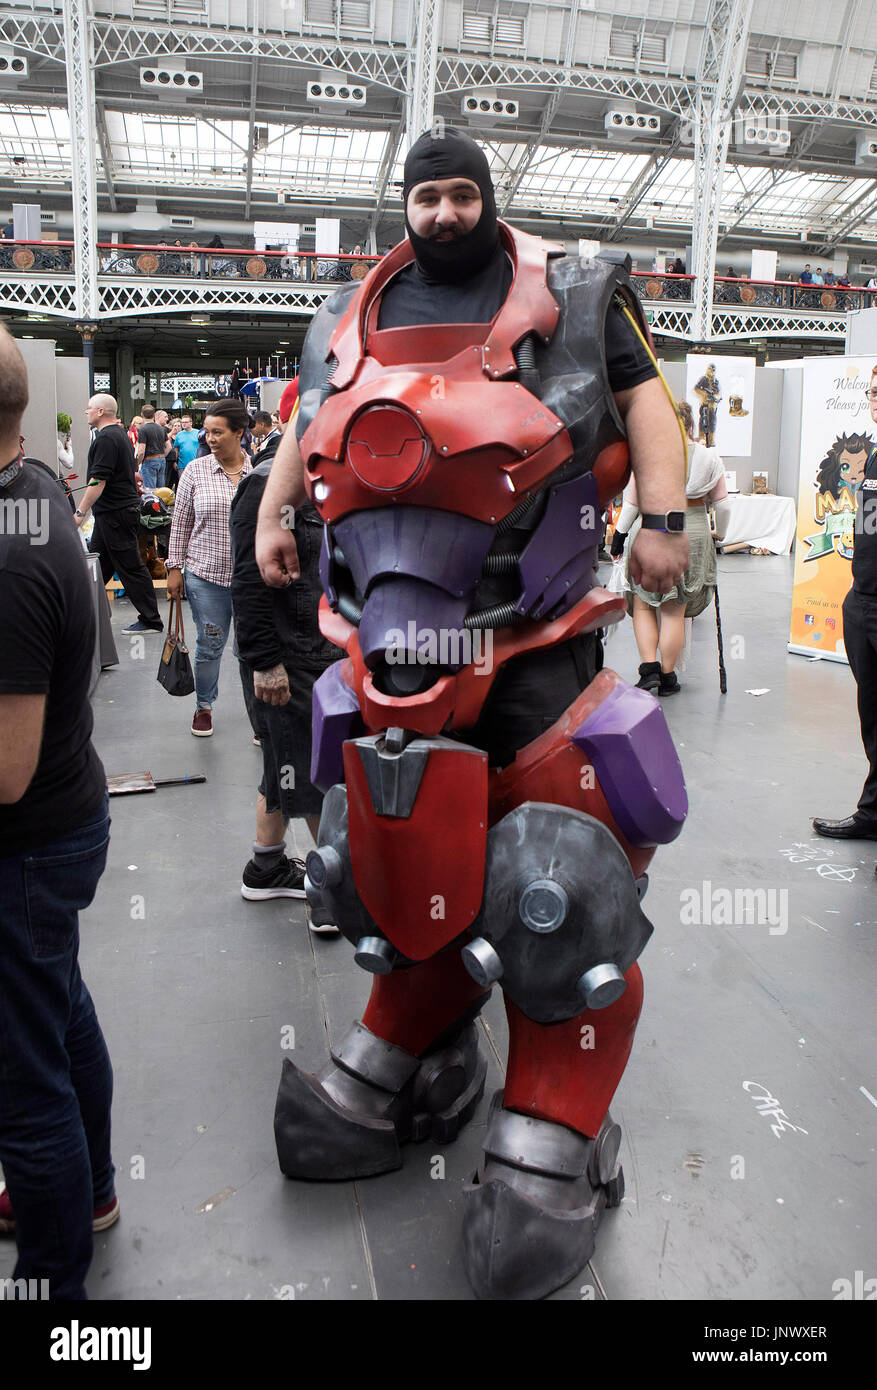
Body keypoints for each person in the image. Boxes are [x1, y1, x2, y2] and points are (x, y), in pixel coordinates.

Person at [254, 127, 689, 1301]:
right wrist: (275, 512)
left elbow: (648, 406)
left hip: (532, 649)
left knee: (558, 880)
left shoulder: (582, 293)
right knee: (382, 862)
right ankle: (414, 1034)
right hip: (383, 650)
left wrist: (662, 518)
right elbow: (310, 426)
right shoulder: (350, 314)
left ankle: (554, 1119)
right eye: (425, 195)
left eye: (459, 194)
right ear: (405, 205)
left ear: (488, 200)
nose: (441, 213)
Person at [0, 328, 119, 1299]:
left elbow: (4, 771)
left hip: (25, 844)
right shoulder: (36, 486)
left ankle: (53, 1290)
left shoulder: (6, 560)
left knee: (22, 1080)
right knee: (61, 1008)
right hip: (67, 820)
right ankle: (96, 1195)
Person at [230, 383, 343, 917]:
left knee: (283, 763)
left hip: (316, 652)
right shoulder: (265, 488)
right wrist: (265, 662)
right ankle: (328, 897)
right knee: (318, 774)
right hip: (292, 657)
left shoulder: (328, 479)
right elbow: (248, 583)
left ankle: (266, 865)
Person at [611, 399, 731, 694]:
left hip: (651, 526)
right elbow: (723, 506)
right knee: (674, 609)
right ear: (690, 425)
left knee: (642, 603)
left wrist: (618, 537)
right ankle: (667, 677)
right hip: (692, 530)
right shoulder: (709, 458)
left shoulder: (646, 454)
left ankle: (648, 668)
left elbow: (631, 506)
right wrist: (721, 535)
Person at [813, 365, 877, 845]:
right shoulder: (872, 460)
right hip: (863, 599)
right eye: (873, 390)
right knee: (872, 712)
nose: (874, 398)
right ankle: (873, 812)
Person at [165, 398, 252, 737]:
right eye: (208, 432)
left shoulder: (258, 470)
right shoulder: (195, 472)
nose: (211, 438)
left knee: (250, 647)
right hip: (205, 577)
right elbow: (180, 523)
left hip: (250, 579)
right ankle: (204, 706)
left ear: (239, 433)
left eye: (218, 432)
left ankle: (260, 718)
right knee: (210, 644)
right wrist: (174, 568)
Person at [78, 394, 163, 635]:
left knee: (130, 567)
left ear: (101, 411)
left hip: (116, 514)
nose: (86, 412)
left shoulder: (107, 438)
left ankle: (151, 619)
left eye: (89, 408)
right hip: (112, 513)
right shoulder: (119, 435)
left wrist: (79, 512)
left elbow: (98, 481)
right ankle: (82, 613)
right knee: (98, 566)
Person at [134, 403, 169, 491]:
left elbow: (141, 451)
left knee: (150, 490)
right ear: (154, 415)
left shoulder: (143, 429)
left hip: (149, 460)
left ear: (142, 415)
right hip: (162, 459)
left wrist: (137, 463)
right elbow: (168, 446)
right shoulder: (162, 428)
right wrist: (162, 456)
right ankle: (161, 504)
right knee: (161, 490)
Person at [694, 361, 721, 446]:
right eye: (710, 369)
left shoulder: (716, 381)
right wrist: (704, 394)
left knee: (712, 422)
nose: (711, 371)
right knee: (703, 422)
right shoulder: (703, 379)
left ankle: (711, 440)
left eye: (713, 370)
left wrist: (715, 397)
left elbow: (718, 393)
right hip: (705, 404)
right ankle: (702, 439)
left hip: (712, 406)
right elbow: (696, 388)